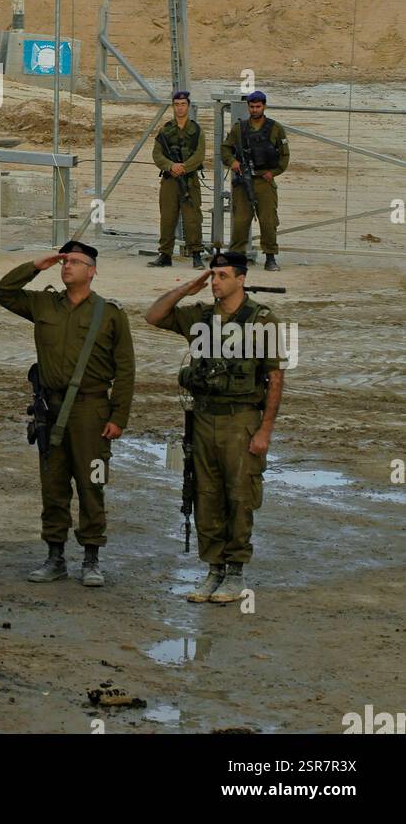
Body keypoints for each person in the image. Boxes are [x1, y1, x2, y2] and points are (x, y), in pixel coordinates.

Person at [144, 250, 286, 603]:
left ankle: (235, 571)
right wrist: (186, 289)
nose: (216, 282)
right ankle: (213, 570)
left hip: (241, 419)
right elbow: (153, 315)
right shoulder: (201, 317)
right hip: (204, 417)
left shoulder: (262, 320)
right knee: (205, 493)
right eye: (213, 275)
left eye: (223, 275)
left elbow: (275, 377)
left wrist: (265, 430)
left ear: (241, 279)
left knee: (239, 495)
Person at [0, 241, 135, 587]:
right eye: (64, 261)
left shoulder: (110, 314)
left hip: (92, 411)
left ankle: (91, 558)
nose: (67, 266)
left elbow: (126, 369)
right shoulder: (44, 303)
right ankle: (55, 556)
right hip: (50, 409)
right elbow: (2, 293)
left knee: (91, 483)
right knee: (53, 484)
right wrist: (35, 266)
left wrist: (119, 418)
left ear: (92, 270)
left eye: (75, 262)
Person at [221, 90, 289, 271]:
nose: (255, 110)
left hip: (264, 182)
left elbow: (284, 156)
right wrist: (233, 162)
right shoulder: (239, 128)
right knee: (241, 221)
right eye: (252, 107)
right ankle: (236, 258)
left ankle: (270, 257)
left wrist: (273, 172)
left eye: (258, 106)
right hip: (244, 180)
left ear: (264, 106)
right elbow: (225, 150)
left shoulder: (275, 128)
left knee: (268, 221)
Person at [149, 90, 206, 269]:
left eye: (183, 104)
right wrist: (170, 166)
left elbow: (199, 155)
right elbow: (157, 154)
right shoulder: (166, 130)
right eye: (177, 105)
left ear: (188, 106)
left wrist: (183, 167)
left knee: (192, 218)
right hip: (170, 181)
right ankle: (165, 254)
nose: (180, 108)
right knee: (167, 218)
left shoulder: (196, 130)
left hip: (189, 180)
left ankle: (196, 254)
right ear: (173, 107)